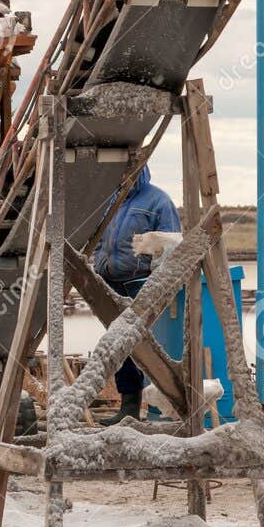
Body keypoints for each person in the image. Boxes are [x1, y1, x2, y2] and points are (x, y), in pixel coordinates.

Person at [92, 165, 180, 425]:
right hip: (110, 283)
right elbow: (98, 237)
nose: (121, 177)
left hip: (140, 284)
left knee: (140, 348)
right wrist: (98, 263)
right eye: (119, 171)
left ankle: (159, 407)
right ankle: (128, 408)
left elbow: (173, 246)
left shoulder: (159, 201)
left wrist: (157, 282)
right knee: (119, 347)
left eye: (128, 171)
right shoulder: (111, 200)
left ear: (140, 171)